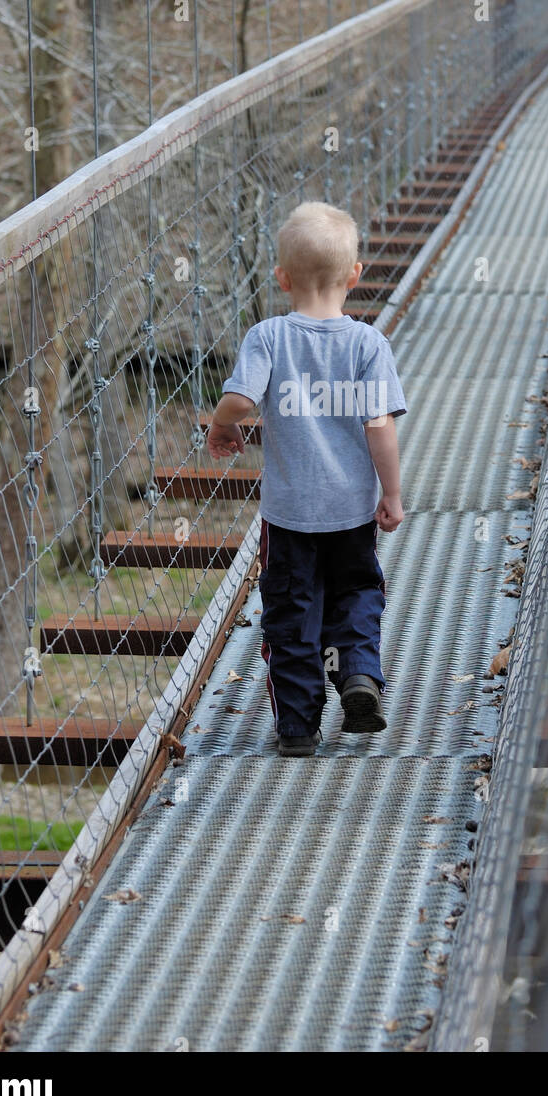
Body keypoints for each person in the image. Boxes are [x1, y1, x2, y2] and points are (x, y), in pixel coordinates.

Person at [207, 201, 407, 756]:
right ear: (354, 275)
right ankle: (360, 675)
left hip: (291, 516)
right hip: (352, 511)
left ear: (282, 278)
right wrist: (390, 493)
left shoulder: (268, 337)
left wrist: (222, 425)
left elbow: (243, 399)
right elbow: (380, 427)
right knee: (358, 593)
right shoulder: (369, 344)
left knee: (291, 617)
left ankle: (297, 727)